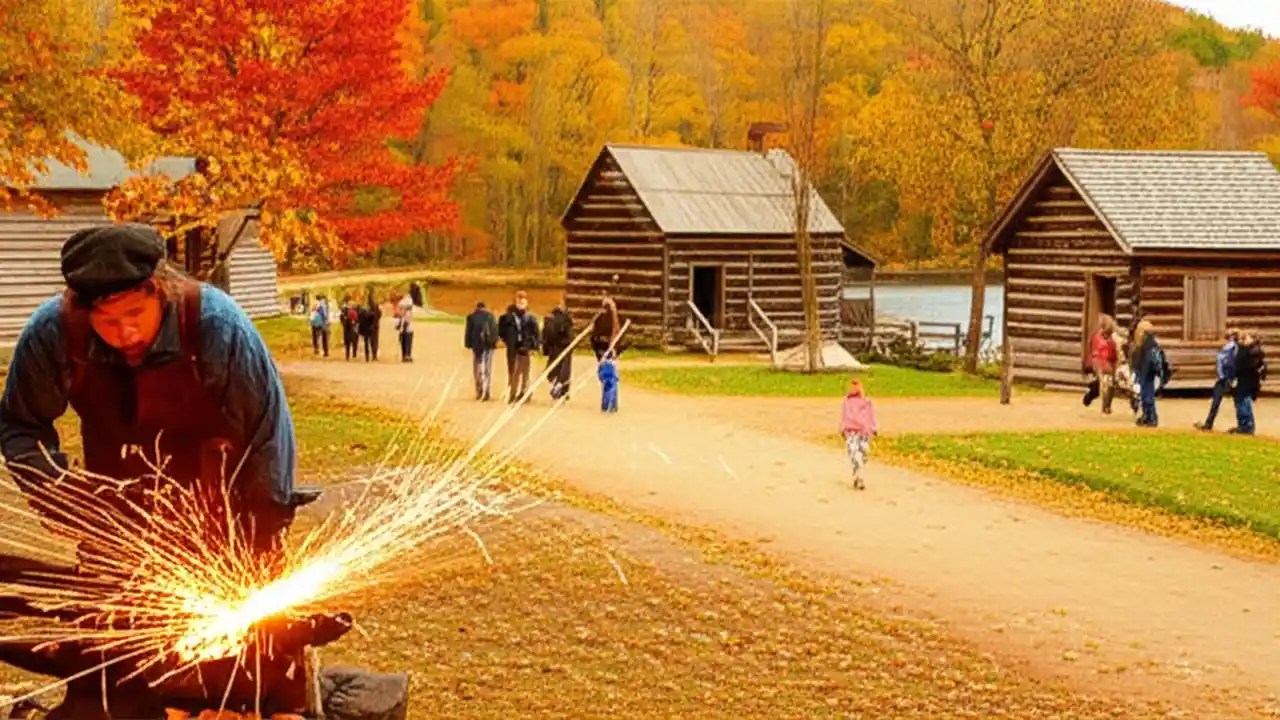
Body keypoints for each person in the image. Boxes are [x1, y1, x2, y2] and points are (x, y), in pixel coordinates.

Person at [1195, 329, 1238, 432]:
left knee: (1234, 401)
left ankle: (1244, 425)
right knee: (1218, 401)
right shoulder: (1229, 347)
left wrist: (1231, 376)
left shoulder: (1232, 348)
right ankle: (1208, 424)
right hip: (1224, 377)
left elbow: (1230, 362)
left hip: (1227, 377)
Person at [839, 378, 878, 491]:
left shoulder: (867, 402)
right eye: (853, 386)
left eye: (857, 386)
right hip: (851, 433)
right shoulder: (846, 402)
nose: (855, 389)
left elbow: (871, 416)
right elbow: (845, 417)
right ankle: (860, 478)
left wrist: (874, 428)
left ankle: (857, 475)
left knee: (864, 454)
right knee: (855, 455)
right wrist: (843, 429)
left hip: (864, 433)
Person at [1129, 319, 1168, 428]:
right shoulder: (1143, 346)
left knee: (1148, 397)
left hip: (1148, 375)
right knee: (1144, 396)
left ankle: (1152, 418)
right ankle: (1146, 416)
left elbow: (1153, 361)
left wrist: (1157, 373)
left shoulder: (1150, 346)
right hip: (1143, 373)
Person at [503, 291, 540, 403]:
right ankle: (513, 393)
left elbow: (536, 333)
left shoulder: (529, 318)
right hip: (515, 348)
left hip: (525, 348)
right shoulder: (510, 317)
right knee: (515, 373)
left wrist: (534, 346)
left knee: (524, 373)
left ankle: (524, 393)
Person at [1230, 331, 1267, 435]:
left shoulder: (1252, 352)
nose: (1242, 341)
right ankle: (1243, 425)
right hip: (1243, 380)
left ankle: (1247, 427)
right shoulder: (1245, 350)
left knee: (1244, 403)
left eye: (1245, 338)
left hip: (1247, 381)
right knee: (1240, 403)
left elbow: (1252, 366)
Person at [1082, 314, 1119, 414]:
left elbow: (1114, 353)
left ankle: (1107, 406)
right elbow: (1095, 352)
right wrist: (1096, 365)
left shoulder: (1112, 339)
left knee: (1110, 386)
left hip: (1109, 365)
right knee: (1102, 386)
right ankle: (1097, 401)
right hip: (1100, 365)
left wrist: (1113, 364)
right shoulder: (1097, 338)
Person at [464, 301, 498, 401]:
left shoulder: (471, 317)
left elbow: (468, 332)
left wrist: (468, 344)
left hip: (477, 346)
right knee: (487, 369)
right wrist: (494, 343)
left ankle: (479, 390)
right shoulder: (490, 316)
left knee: (477, 368)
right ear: (485, 307)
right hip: (488, 346)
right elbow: (495, 330)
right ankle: (486, 391)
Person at [542, 302, 574, 401]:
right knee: (564, 371)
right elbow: (570, 336)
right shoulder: (566, 320)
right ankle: (562, 390)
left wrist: (546, 348)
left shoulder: (550, 319)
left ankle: (557, 387)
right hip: (564, 348)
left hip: (554, 348)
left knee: (553, 370)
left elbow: (545, 335)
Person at [590, 293, 622, 361]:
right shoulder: (600, 315)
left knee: (607, 362)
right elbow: (592, 324)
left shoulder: (612, 315)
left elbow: (616, 328)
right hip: (599, 343)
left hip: (608, 343)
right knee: (603, 362)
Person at [395, 292, 414, 362]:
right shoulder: (407, 309)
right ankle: (406, 355)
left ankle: (406, 355)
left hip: (405, 328)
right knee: (406, 341)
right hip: (406, 328)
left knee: (405, 341)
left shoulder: (403, 306)